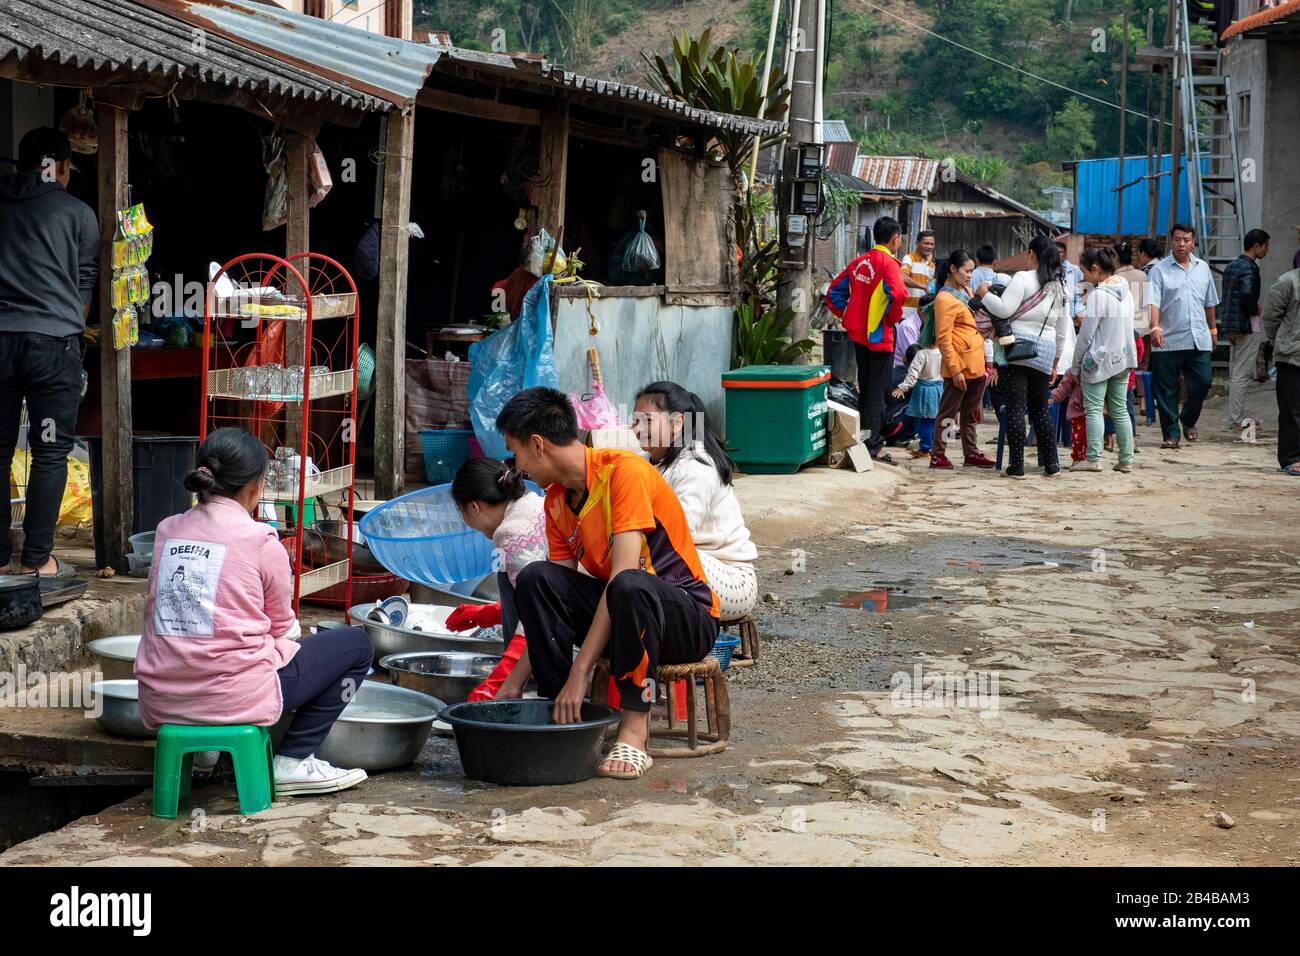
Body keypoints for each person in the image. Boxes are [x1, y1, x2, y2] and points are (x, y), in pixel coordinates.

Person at [493, 387, 718, 780]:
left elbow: (621, 579)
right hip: (627, 617)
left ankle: (634, 733)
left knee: (630, 584)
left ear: (537, 444)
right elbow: (555, 598)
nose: (518, 466)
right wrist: (514, 682)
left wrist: (582, 671)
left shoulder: (622, 472)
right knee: (536, 578)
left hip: (685, 618)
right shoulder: (557, 502)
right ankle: (558, 709)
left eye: (516, 452)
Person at [135, 428, 372, 795]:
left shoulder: (167, 530)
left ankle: (203, 753)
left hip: (161, 698)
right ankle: (293, 761)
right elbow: (282, 626)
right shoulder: (261, 540)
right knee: (357, 646)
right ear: (254, 487)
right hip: (234, 697)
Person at [0, 128, 98, 577]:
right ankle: (38, 561)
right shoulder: (77, 213)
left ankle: (1, 559)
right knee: (50, 451)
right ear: (57, 166)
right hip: (53, 345)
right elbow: (83, 288)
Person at [632, 382, 758, 620]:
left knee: (650, 553)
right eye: (635, 420)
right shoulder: (646, 461)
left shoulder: (695, 467)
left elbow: (676, 535)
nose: (638, 429)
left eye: (647, 420)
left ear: (677, 423)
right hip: (687, 570)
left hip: (731, 582)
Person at [445, 457, 548, 701]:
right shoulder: (532, 503)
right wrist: (488, 614)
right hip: (580, 602)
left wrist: (499, 682)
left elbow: (538, 612)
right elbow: (541, 595)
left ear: (474, 507)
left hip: (577, 622)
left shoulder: (512, 531)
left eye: (462, 513)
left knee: (502, 575)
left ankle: (531, 682)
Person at [981, 234, 1069, 478]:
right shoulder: (1060, 286)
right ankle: (1052, 463)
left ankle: (1017, 465)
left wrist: (985, 294)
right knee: (1040, 408)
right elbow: (1062, 330)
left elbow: (1004, 309)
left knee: (1016, 407)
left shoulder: (1022, 278)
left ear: (1032, 253)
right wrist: (1055, 362)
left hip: (1017, 347)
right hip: (1046, 350)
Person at [825, 216, 909, 465]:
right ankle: (874, 446)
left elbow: (833, 293)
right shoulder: (889, 264)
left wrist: (848, 315)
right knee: (878, 392)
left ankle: (863, 439)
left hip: (859, 336)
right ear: (895, 239)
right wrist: (892, 319)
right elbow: (899, 294)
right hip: (880, 337)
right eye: (900, 239)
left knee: (866, 386)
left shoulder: (859, 261)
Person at [1148, 223, 1220, 448]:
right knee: (1166, 389)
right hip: (1167, 340)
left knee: (1203, 382)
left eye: (1186, 240)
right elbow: (1152, 301)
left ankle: (1188, 419)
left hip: (1198, 338)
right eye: (1177, 239)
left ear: (1193, 242)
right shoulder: (1159, 270)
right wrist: (1155, 327)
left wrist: (1213, 329)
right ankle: (1171, 435)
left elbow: (1209, 303)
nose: (1181, 244)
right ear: (1171, 241)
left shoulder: (1203, 268)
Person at [1071, 245, 1137, 473]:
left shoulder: (1099, 295)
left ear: (1095, 268)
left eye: (1084, 272)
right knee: (1120, 410)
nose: (1083, 277)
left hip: (1099, 360)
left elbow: (1086, 335)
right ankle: (1126, 460)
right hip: (1124, 357)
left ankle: (1093, 459)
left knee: (1094, 410)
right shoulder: (1126, 291)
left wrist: (1075, 365)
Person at [930, 249, 995, 471]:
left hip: (975, 363)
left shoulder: (965, 291)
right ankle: (938, 454)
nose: (969, 275)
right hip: (959, 365)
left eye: (971, 271)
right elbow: (944, 339)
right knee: (948, 414)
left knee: (970, 413)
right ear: (953, 269)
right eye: (966, 271)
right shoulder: (944, 299)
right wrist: (955, 369)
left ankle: (971, 452)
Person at [1219, 229, 1271, 432]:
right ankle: (1237, 419)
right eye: (1265, 246)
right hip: (1246, 324)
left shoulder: (1232, 266)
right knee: (1242, 373)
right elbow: (1248, 296)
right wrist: (1254, 308)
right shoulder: (1250, 268)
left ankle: (1236, 415)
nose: (1267, 250)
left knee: (1236, 371)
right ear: (1256, 246)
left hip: (1231, 324)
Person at [1262, 266, 1300, 475]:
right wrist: (1283, 341)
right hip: (1292, 356)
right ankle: (1291, 457)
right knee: (1292, 410)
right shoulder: (1288, 282)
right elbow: (1270, 317)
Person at [892, 342, 944, 458]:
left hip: (924, 391)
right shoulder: (944, 352)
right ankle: (937, 447)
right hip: (939, 389)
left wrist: (902, 388)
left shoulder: (922, 354)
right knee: (935, 420)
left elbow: (912, 375)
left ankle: (926, 448)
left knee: (923, 421)